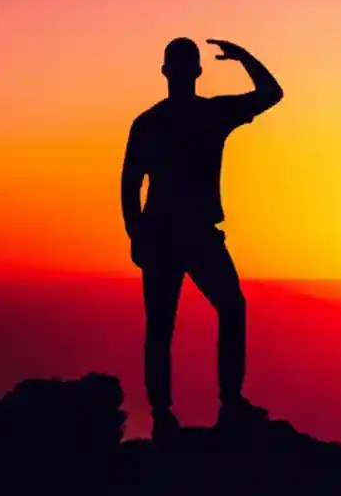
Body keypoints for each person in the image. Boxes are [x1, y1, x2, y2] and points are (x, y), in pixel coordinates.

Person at [121, 37, 283, 442]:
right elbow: (271, 93)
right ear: (196, 71)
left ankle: (164, 416)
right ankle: (229, 404)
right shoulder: (212, 114)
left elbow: (129, 184)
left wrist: (135, 234)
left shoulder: (149, 122)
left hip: (160, 234)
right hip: (194, 234)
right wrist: (244, 57)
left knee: (161, 328)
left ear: (165, 72)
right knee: (230, 308)